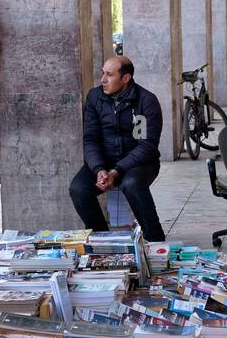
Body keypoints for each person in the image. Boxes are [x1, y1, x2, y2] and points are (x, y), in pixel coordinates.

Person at [69, 56, 167, 242]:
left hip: (139, 163)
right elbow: (90, 139)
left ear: (126, 78)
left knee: (132, 184)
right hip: (104, 162)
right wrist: (99, 169)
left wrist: (117, 171)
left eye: (109, 75)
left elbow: (146, 146)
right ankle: (103, 239)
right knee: (79, 189)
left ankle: (155, 240)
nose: (102, 80)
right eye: (102, 73)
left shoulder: (145, 101)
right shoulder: (95, 97)